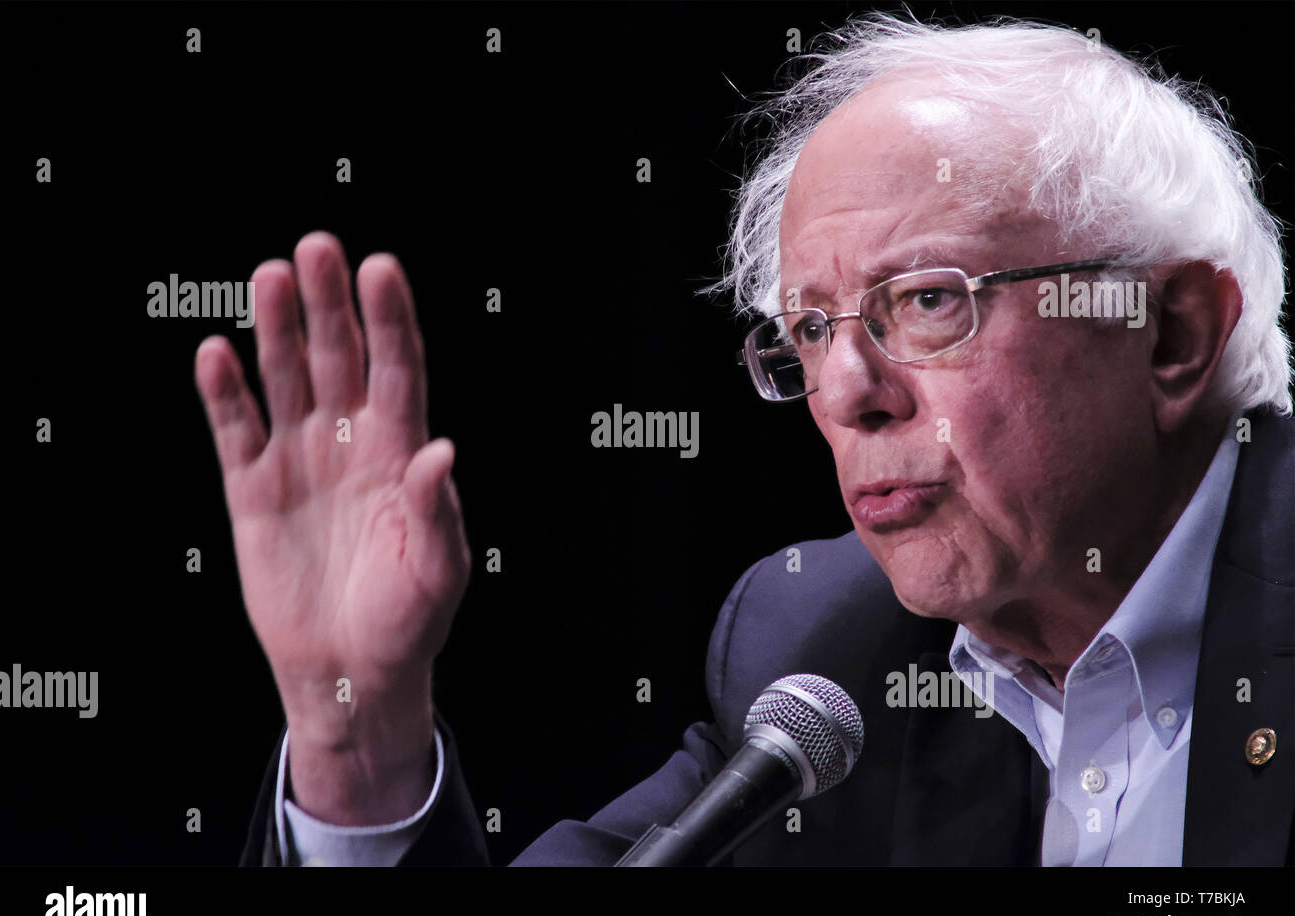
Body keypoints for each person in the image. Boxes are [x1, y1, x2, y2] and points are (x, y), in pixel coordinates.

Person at [195, 15, 1293, 866]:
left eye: (923, 301)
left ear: (1171, 335)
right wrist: (358, 737)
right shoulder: (825, 651)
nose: (849, 390)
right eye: (811, 327)